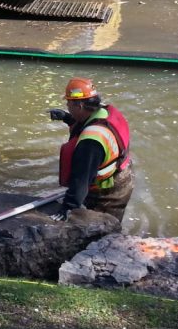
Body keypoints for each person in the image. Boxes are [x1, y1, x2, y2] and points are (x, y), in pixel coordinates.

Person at [47, 77, 133, 221]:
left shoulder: (90, 143)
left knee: (104, 229)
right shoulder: (103, 112)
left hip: (110, 193)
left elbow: (81, 180)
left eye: (68, 104)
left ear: (79, 106)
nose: (67, 106)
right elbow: (91, 122)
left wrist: (67, 208)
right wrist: (67, 118)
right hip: (121, 173)